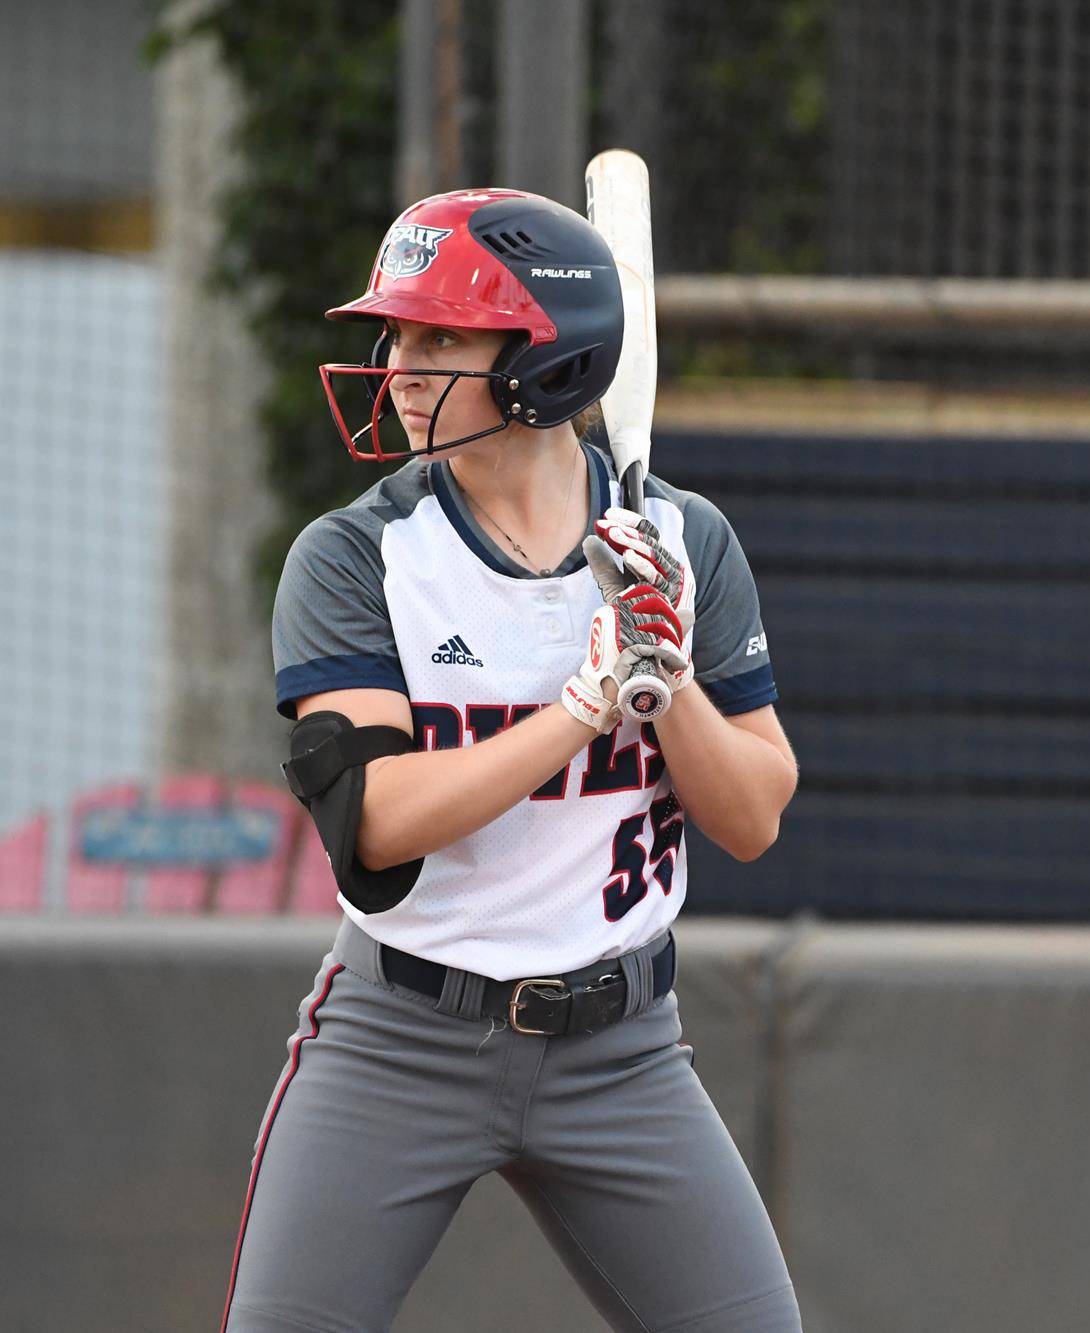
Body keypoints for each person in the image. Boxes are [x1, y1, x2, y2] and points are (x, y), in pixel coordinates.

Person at [221, 188, 802, 1333]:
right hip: (402, 1036)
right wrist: (582, 705)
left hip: (622, 1049)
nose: (399, 363)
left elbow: (752, 816)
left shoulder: (680, 545)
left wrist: (664, 675)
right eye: (399, 334)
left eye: (441, 336)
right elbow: (375, 821)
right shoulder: (355, 555)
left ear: (547, 361)